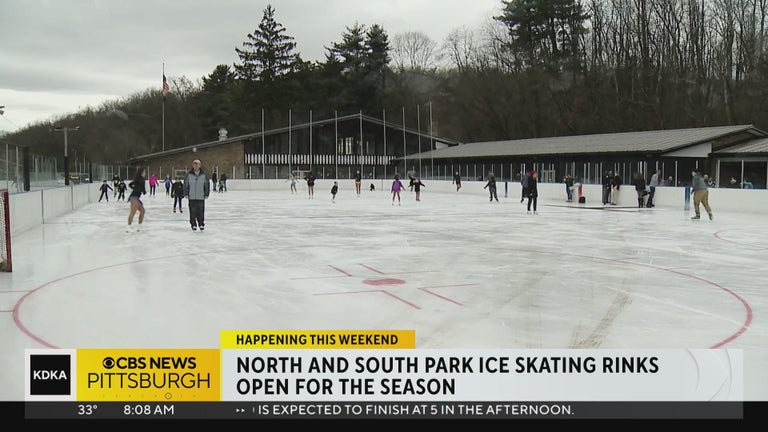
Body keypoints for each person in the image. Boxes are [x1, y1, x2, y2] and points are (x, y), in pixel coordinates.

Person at [184, 159, 210, 231]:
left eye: (197, 164)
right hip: (191, 196)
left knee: (200, 211)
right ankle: (193, 224)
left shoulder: (203, 174)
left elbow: (207, 185)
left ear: (200, 165)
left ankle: (201, 224)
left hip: (200, 196)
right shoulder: (188, 174)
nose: (196, 166)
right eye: (194, 164)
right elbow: (186, 184)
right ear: (192, 165)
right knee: (192, 211)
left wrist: (206, 193)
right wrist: (186, 193)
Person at [126, 168, 147, 233]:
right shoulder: (140, 179)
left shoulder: (140, 179)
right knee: (133, 212)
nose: (145, 173)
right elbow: (131, 185)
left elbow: (141, 188)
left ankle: (139, 227)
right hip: (134, 197)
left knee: (142, 211)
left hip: (136, 198)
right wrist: (138, 189)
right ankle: (128, 227)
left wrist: (142, 190)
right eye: (144, 172)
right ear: (141, 172)